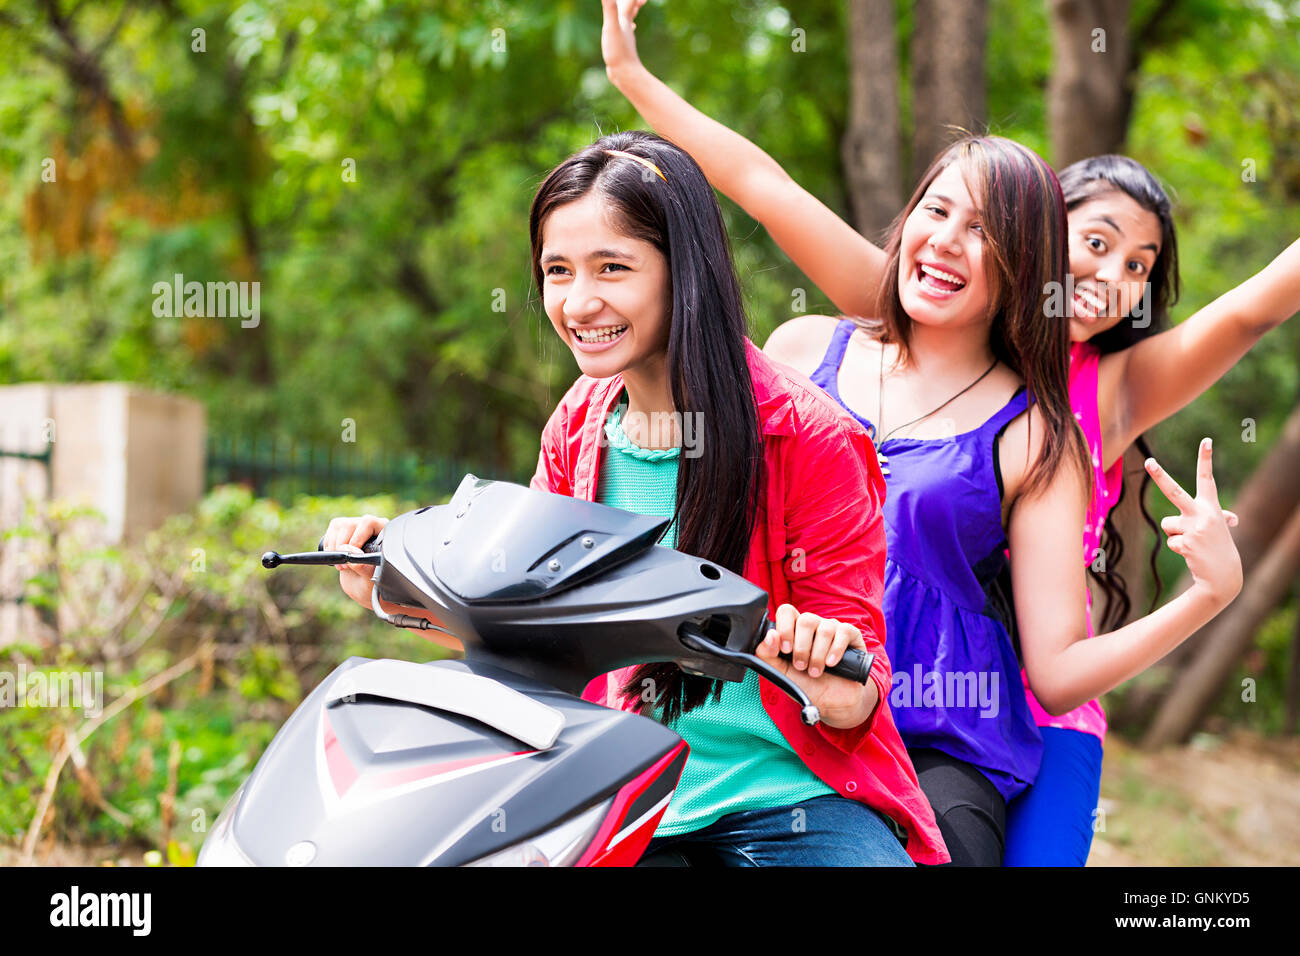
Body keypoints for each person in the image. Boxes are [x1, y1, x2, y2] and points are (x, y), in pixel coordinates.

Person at [600, 0, 1248, 865]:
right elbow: (764, 186)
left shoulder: (1037, 436)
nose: (945, 242)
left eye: (983, 231)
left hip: (938, 736)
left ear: (1022, 263)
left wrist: (1207, 596)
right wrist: (633, 79)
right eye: (937, 212)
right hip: (770, 713)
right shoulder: (802, 353)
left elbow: (1054, 671)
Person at [322, 129, 949, 866]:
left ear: (684, 272)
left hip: (797, 800)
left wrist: (828, 668)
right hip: (620, 791)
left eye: (611, 268)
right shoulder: (578, 428)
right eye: (558, 270)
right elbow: (525, 634)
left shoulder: (809, 436)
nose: (579, 302)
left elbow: (856, 693)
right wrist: (386, 591)